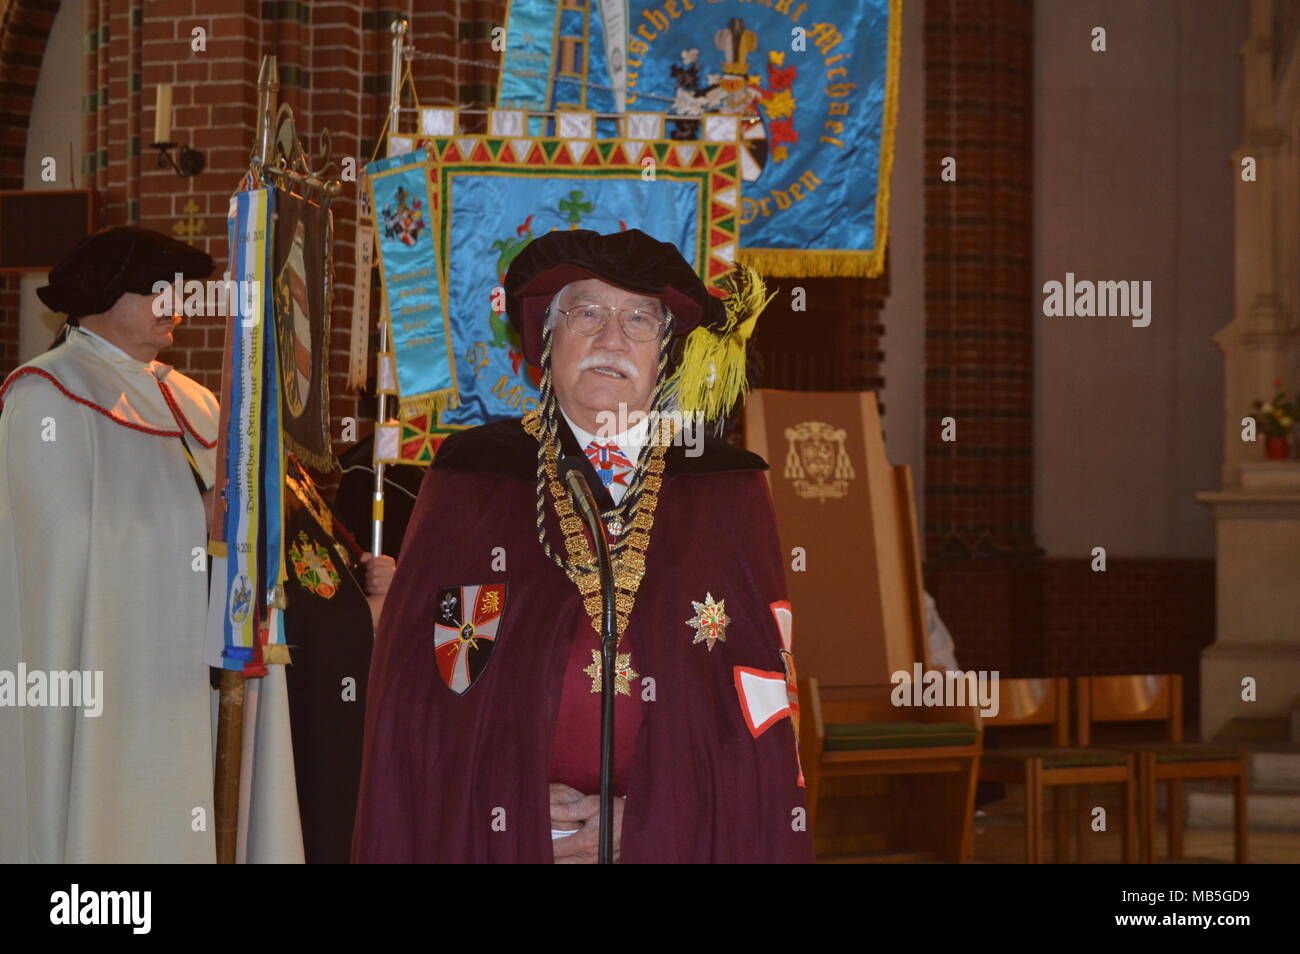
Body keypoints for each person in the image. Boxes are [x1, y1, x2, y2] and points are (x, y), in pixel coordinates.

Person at [353, 228, 811, 863]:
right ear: (547, 337)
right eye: (587, 312)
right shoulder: (475, 477)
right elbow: (422, 702)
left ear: (666, 352)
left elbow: (759, 714)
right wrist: (506, 803)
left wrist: (651, 816)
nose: (611, 339)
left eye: (639, 319)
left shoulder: (726, 488)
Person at [0, 225, 218, 862]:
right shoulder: (47, 394)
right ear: (104, 295)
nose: (178, 306)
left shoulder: (198, 401)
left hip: (194, 667)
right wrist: (194, 519)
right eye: (159, 290)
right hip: (107, 676)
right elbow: (60, 547)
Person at [239, 453, 396, 863]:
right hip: (291, 705)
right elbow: (304, 614)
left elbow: (337, 572)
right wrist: (376, 611)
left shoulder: (294, 475)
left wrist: (380, 579)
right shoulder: (259, 473)